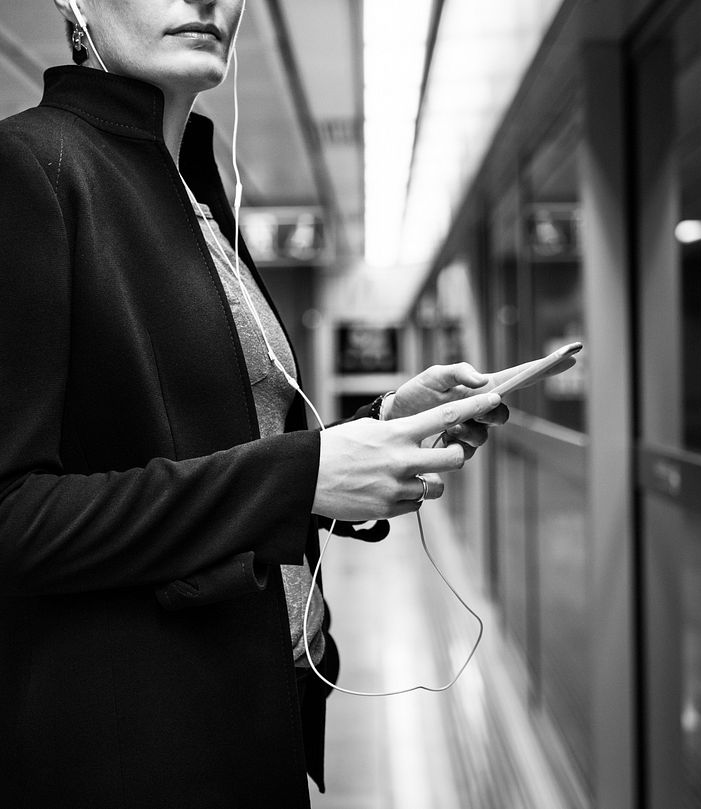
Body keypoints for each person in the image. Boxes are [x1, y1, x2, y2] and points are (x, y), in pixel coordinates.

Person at [0, 0, 576, 806]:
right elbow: (14, 516)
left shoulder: (199, 198)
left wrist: (377, 426)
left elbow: (226, 441)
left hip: (258, 706)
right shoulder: (31, 170)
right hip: (135, 743)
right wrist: (301, 476)